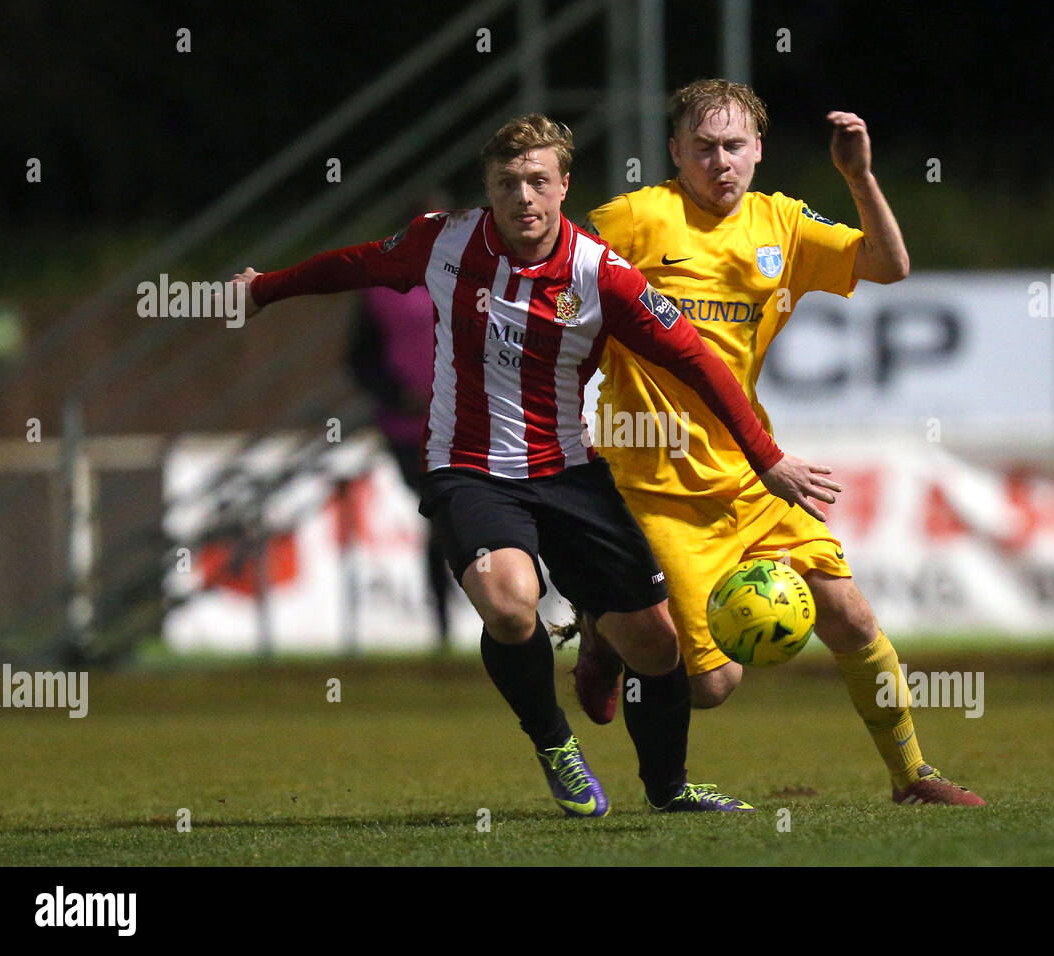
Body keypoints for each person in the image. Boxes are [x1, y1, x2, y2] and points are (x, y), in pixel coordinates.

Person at [229, 113, 840, 816]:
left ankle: (669, 790)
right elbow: (355, 264)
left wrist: (767, 459)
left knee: (655, 643)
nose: (524, 197)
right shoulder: (444, 240)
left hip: (568, 472)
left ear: (563, 186)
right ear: (488, 190)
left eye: (538, 182)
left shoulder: (602, 274)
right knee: (511, 603)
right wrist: (265, 287)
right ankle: (554, 742)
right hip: (467, 468)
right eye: (508, 182)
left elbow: (698, 361)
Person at [575, 79, 984, 806]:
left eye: (734, 145)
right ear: (675, 152)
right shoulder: (634, 219)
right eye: (702, 147)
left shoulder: (783, 225)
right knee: (711, 685)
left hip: (755, 472)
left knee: (851, 614)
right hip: (654, 485)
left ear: (759, 151)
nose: (719, 161)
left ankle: (912, 776)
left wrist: (858, 176)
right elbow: (554, 297)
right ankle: (607, 628)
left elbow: (890, 267)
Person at [345, 247, 454, 648]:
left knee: (450, 517)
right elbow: (359, 359)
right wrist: (397, 395)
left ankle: (452, 623)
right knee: (444, 513)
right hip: (409, 431)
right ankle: (444, 623)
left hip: (466, 426)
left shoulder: (473, 279)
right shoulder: (380, 292)